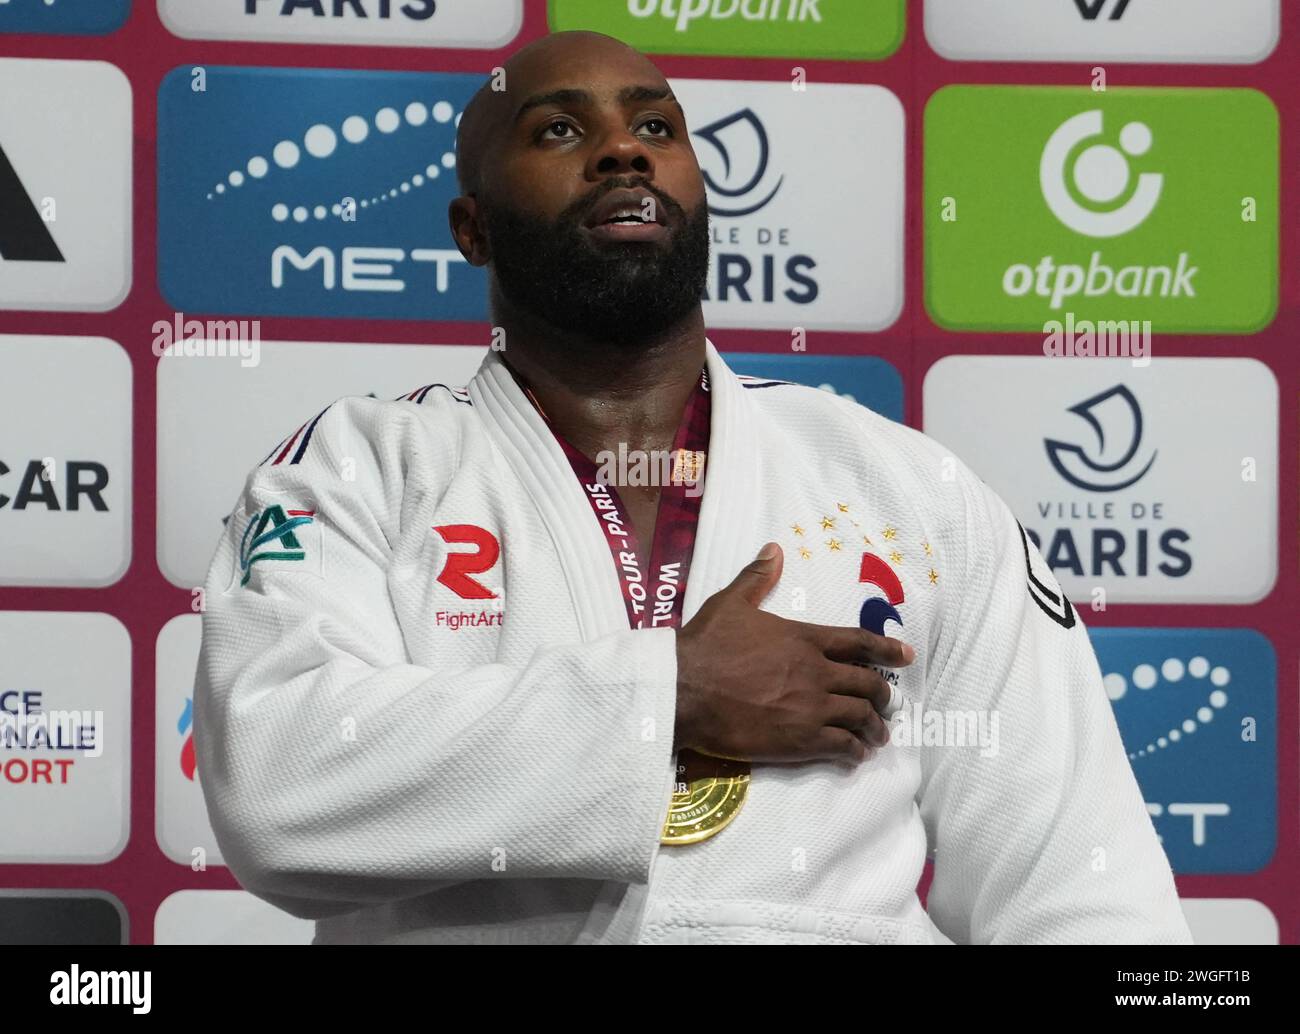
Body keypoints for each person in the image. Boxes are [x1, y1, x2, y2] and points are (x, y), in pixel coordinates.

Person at [194, 30, 1192, 945]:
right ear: (473, 228)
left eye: (656, 127)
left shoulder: (903, 487)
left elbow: (1083, 888)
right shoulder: (360, 469)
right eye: (558, 130)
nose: (623, 151)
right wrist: (670, 695)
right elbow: (280, 782)